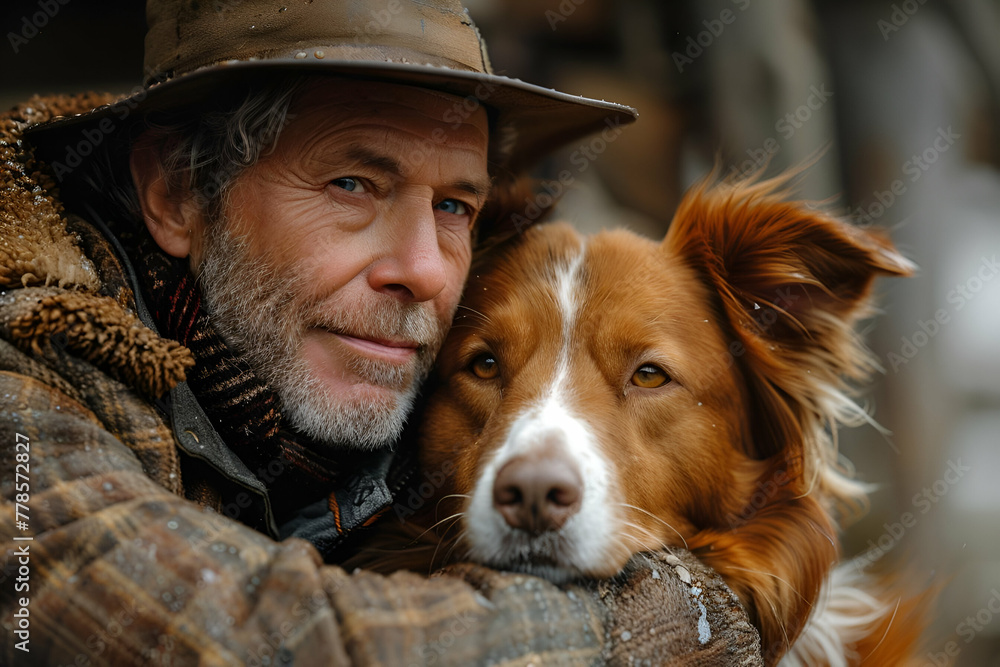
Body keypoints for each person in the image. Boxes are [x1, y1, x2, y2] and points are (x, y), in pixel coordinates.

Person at [0, 0, 763, 663]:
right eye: (353, 184)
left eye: (454, 205)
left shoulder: (395, 403)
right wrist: (673, 619)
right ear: (177, 193)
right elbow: (249, 643)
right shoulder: (23, 376)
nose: (428, 271)